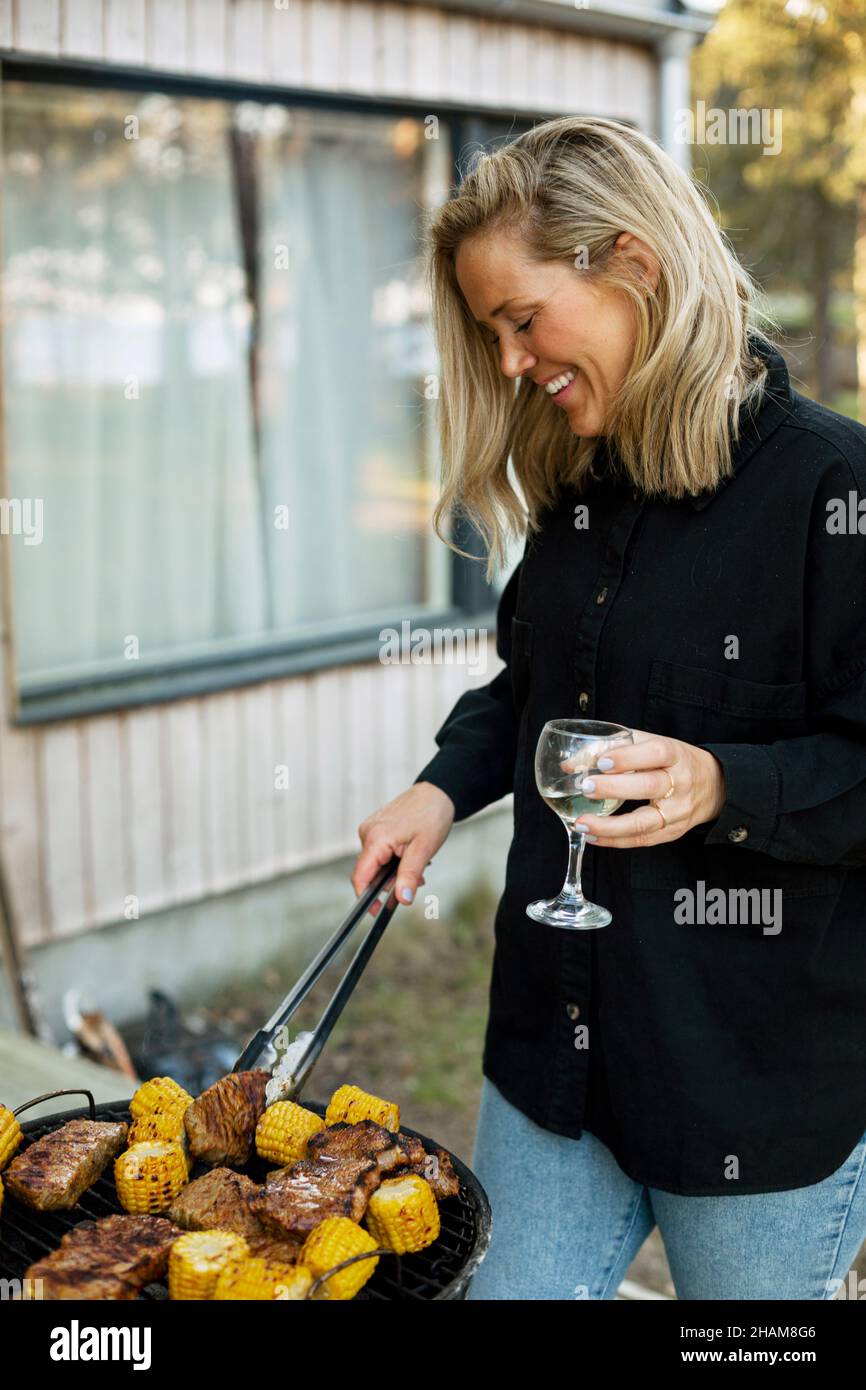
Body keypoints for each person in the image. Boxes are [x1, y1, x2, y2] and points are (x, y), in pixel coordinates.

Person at [351, 116, 866, 1299]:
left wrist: (722, 785)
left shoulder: (832, 494)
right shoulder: (584, 488)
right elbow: (533, 689)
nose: (511, 361)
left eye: (519, 319)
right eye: (490, 334)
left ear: (629, 262)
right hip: (553, 1065)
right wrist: (439, 790)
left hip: (755, 1087)